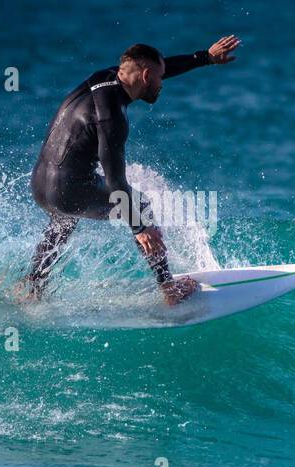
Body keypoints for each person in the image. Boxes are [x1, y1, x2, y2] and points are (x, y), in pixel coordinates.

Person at [19, 35, 241, 305]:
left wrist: (204, 57)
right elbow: (115, 183)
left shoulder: (105, 77)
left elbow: (162, 67)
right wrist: (139, 226)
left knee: (64, 220)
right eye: (159, 79)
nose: (162, 84)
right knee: (141, 204)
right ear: (146, 76)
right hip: (68, 192)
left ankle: (32, 285)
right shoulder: (112, 118)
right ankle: (168, 288)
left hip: (41, 186)